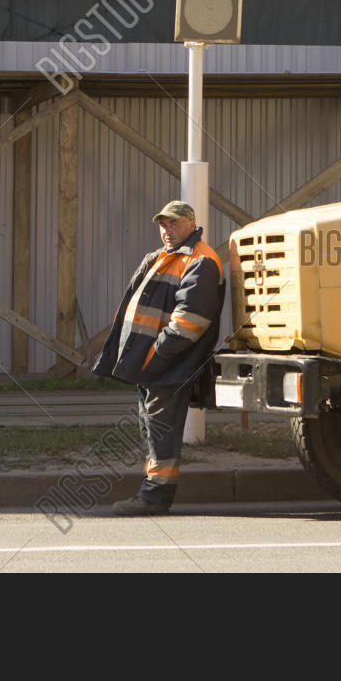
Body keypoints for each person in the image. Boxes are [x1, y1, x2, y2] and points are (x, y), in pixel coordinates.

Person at [92, 200, 225, 516]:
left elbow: (190, 322)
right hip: (153, 365)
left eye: (175, 224)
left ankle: (154, 498)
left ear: (192, 224)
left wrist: (154, 356)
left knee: (159, 431)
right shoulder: (164, 257)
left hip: (168, 365)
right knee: (152, 428)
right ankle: (151, 491)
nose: (167, 230)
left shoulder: (200, 260)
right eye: (164, 225)